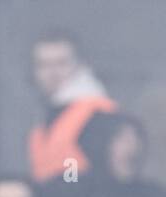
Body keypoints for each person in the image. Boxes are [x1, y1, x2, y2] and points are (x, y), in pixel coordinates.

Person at [26, 30, 116, 183]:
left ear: (81, 65)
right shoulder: (50, 112)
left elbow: (99, 174)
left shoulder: (98, 111)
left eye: (61, 63)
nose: (52, 72)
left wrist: (70, 183)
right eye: (43, 65)